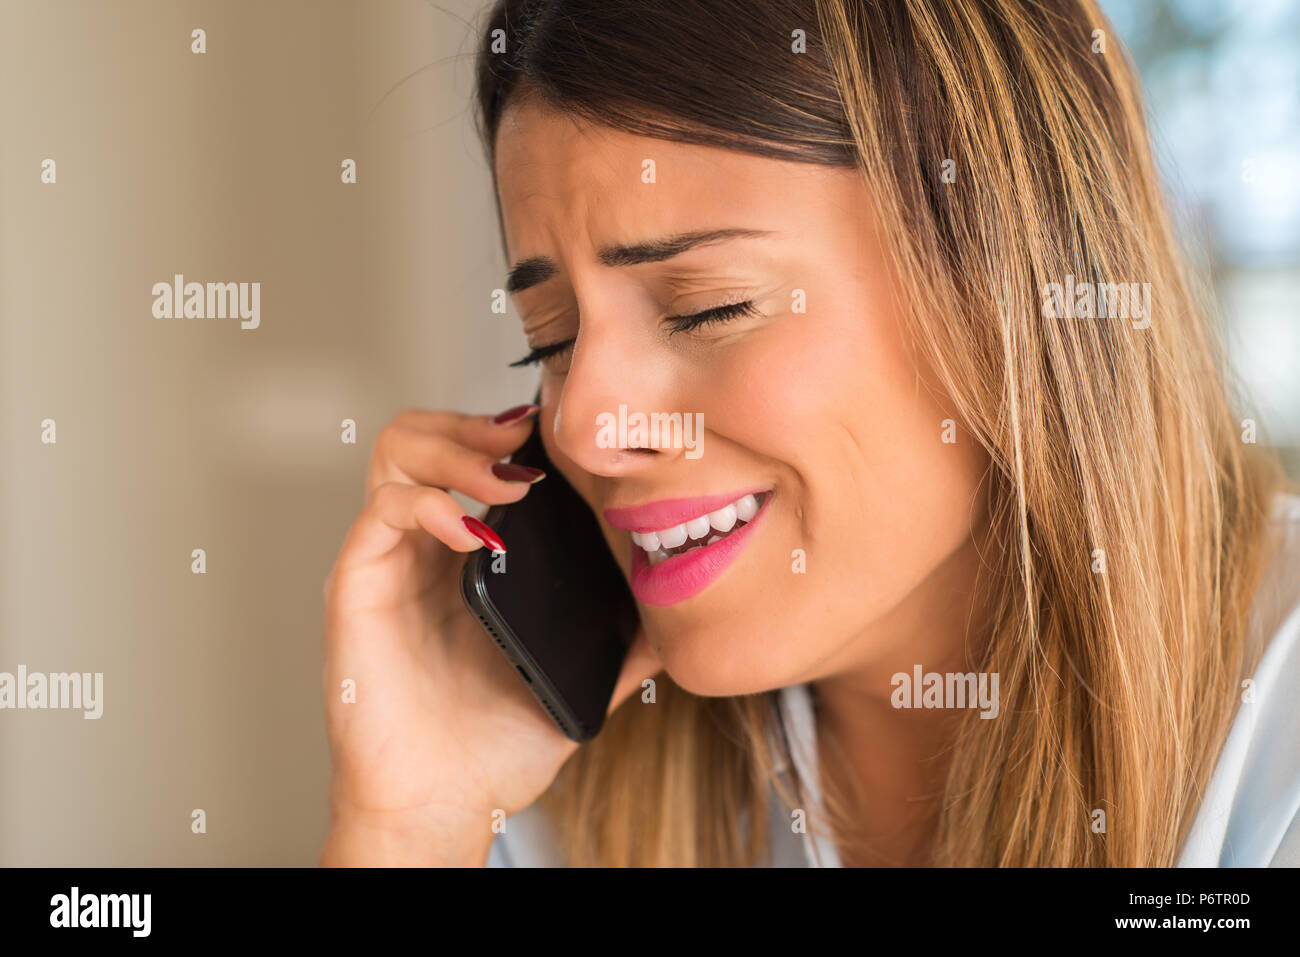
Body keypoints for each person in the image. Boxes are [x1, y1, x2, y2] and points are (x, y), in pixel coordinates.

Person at [319, 0, 1300, 867]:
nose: (579, 424)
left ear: (1006, 291)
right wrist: (412, 829)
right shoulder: (541, 767)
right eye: (553, 337)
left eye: (709, 309)